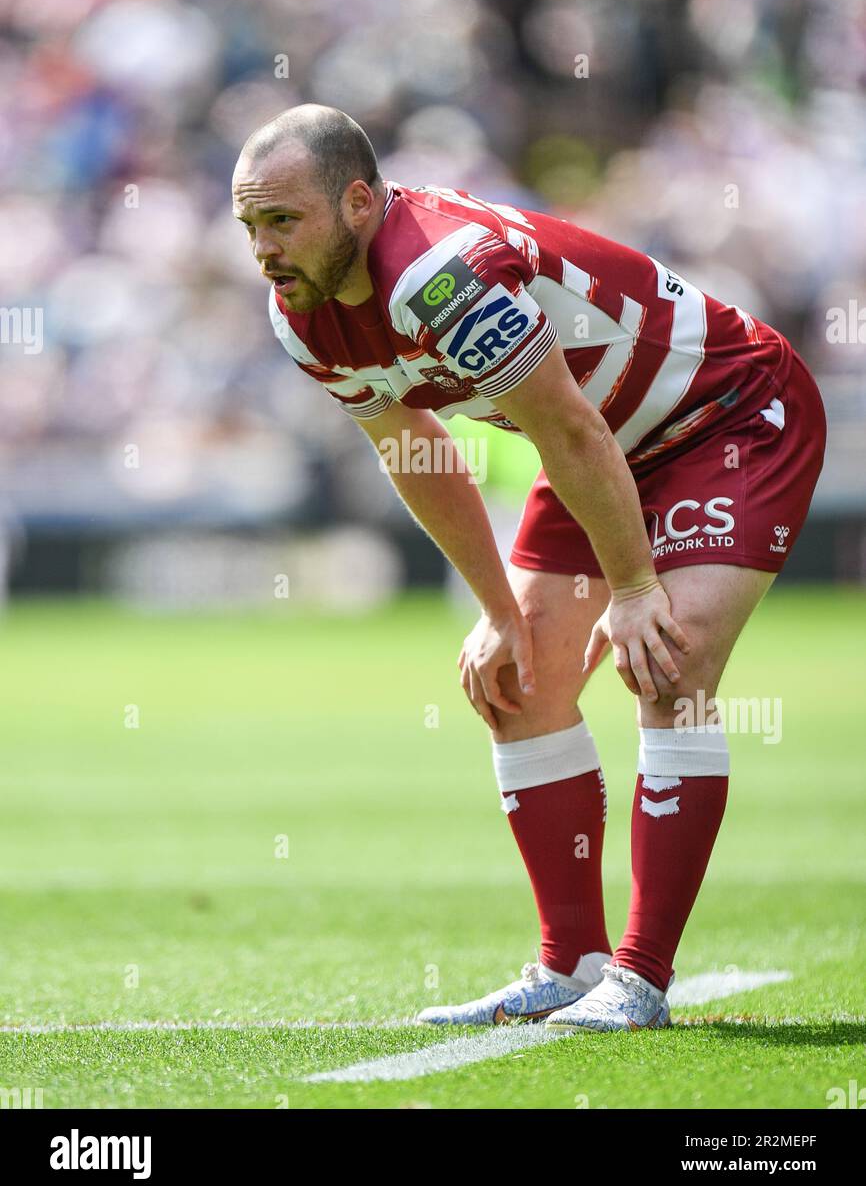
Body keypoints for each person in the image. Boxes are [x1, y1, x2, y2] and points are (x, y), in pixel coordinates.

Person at [232, 104, 826, 1033]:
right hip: (597, 445)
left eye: (282, 221)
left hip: (725, 418)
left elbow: (569, 428)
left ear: (358, 202)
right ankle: (569, 963)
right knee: (517, 685)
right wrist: (498, 609)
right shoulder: (302, 317)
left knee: (667, 662)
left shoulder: (436, 278)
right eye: (251, 228)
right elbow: (413, 450)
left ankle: (639, 977)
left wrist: (635, 591)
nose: (264, 249)